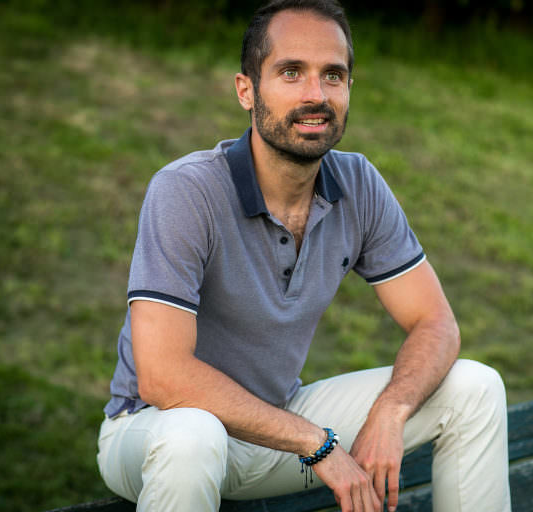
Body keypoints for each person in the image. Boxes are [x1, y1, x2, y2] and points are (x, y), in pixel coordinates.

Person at [96, 1, 510, 511]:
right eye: (291, 72)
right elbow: (162, 375)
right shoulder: (187, 191)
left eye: (333, 75)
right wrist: (317, 444)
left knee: (475, 386)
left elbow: (436, 322)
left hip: (274, 426)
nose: (316, 95)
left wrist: (391, 412)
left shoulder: (358, 184)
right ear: (246, 90)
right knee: (193, 435)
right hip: (153, 428)